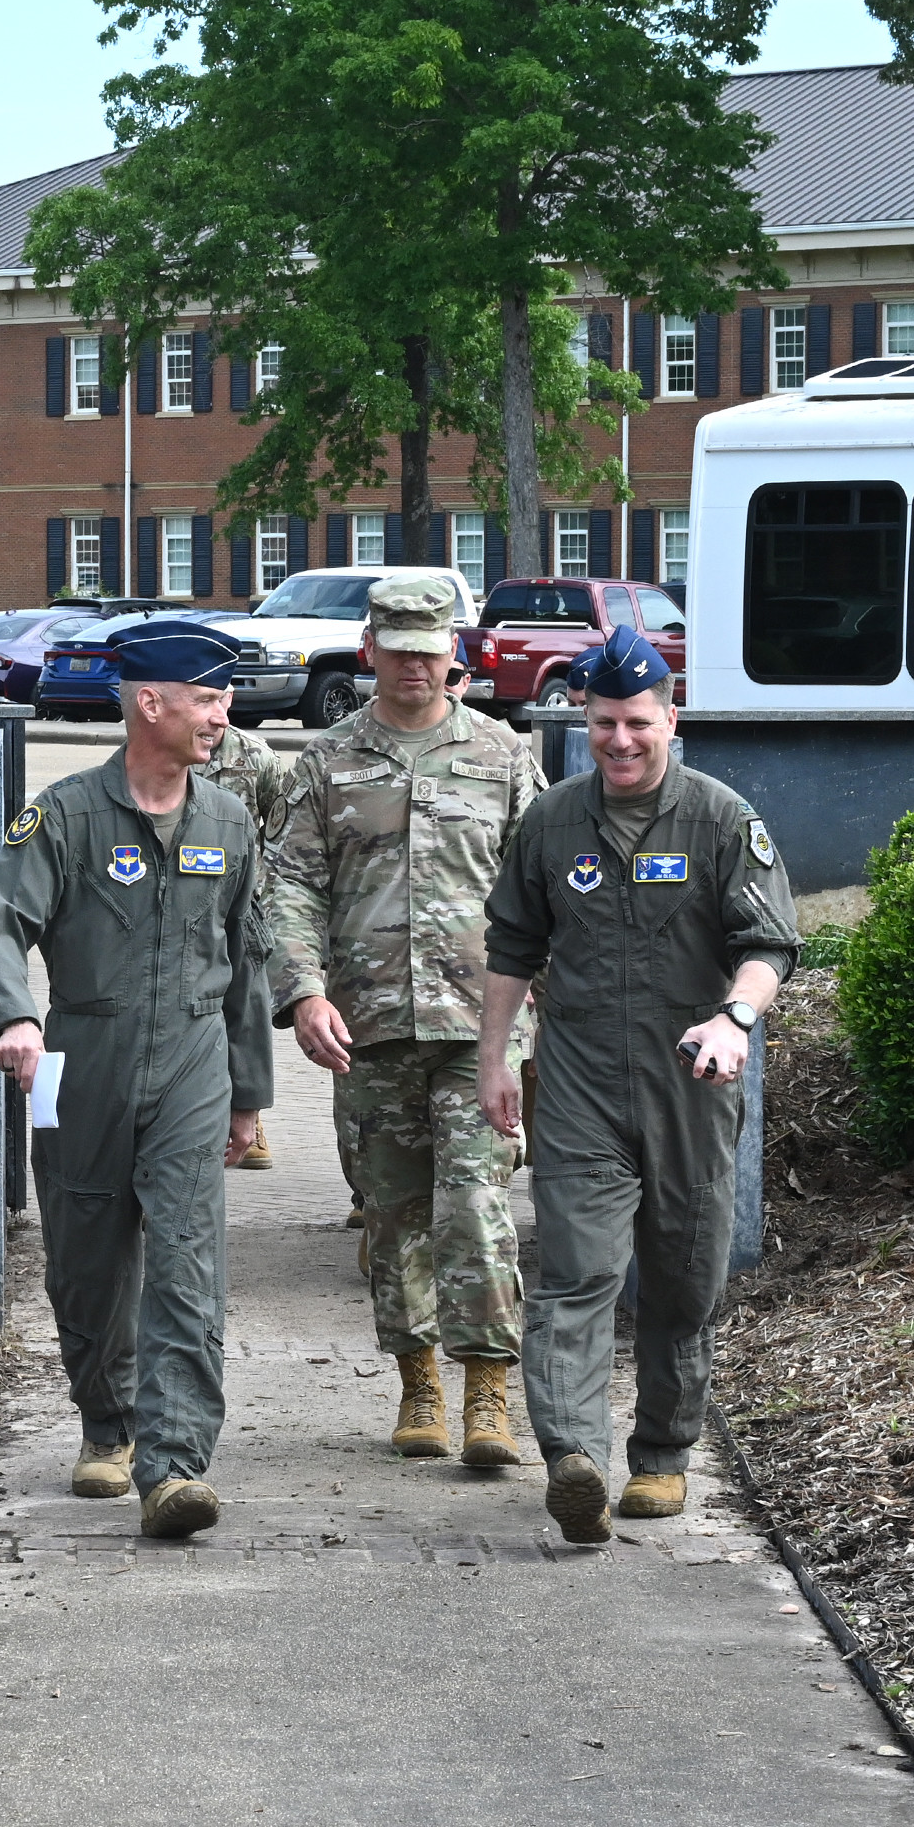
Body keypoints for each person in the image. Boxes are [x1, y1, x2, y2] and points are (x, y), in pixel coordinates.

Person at [477, 623, 799, 1543]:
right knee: (577, 1273)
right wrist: (495, 1060)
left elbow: (770, 945)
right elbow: (512, 946)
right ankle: (575, 1457)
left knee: (680, 1283)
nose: (620, 741)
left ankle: (660, 1454)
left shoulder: (722, 819)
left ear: (670, 718)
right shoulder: (551, 821)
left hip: (690, 1085)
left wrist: (735, 1020)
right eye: (605, 724)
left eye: (638, 725)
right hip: (578, 1084)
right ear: (585, 718)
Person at [0, 621, 274, 1538]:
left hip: (190, 1064)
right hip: (80, 1062)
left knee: (187, 1259)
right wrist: (14, 1015)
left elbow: (245, 961)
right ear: (153, 703)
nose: (225, 717)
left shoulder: (228, 819)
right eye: (210, 700)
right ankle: (106, 1422)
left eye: (225, 700)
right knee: (88, 1261)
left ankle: (174, 1462)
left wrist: (251, 1093)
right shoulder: (64, 815)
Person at [267, 572, 544, 1465]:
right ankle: (418, 1381)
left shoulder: (503, 758)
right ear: (370, 651)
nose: (415, 666)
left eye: (431, 651)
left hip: (482, 1030)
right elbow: (290, 887)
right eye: (400, 650)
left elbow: (542, 891)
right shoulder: (329, 763)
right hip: (370, 1027)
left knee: (475, 1207)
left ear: (453, 655)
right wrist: (304, 993)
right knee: (393, 1214)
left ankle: (489, 1393)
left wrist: (547, 994)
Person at [195, 723, 285, 1172]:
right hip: (190, 902)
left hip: (244, 903)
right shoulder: (167, 746)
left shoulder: (256, 757)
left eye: (224, 696)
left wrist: (263, 885)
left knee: (248, 1008)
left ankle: (250, 1112)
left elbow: (285, 827)